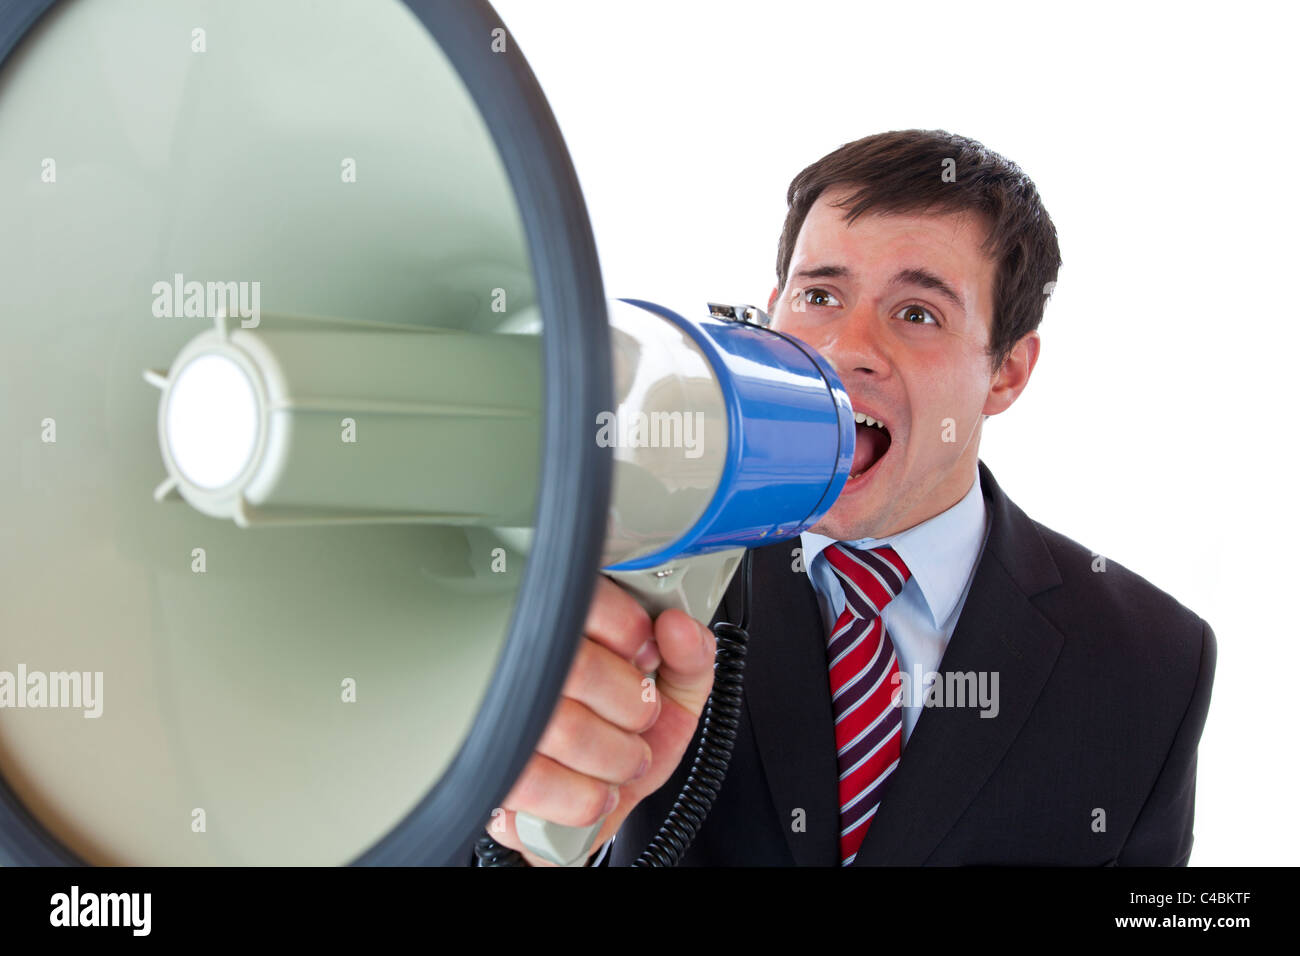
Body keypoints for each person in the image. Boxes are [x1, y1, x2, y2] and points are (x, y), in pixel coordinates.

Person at [477, 129, 1217, 866]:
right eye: (821, 296)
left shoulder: (1153, 660)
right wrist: (543, 847)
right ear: (770, 314)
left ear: (1006, 373)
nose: (843, 349)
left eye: (917, 312)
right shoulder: (631, 556)